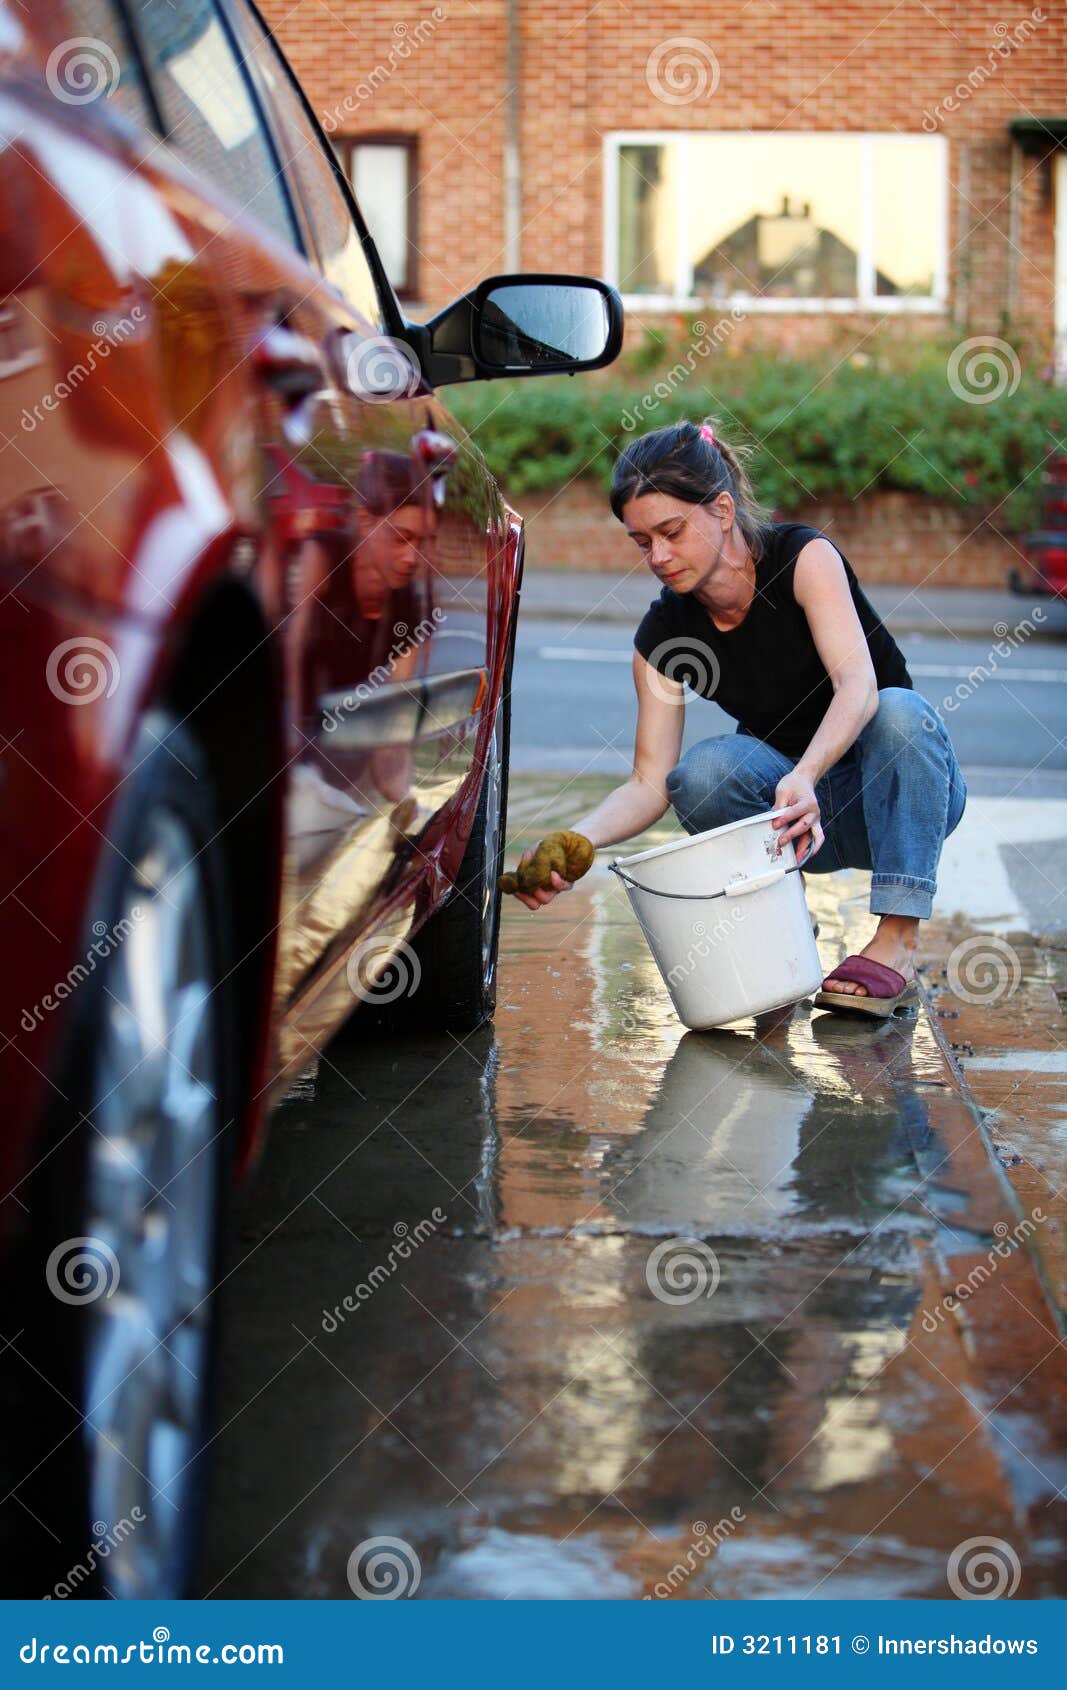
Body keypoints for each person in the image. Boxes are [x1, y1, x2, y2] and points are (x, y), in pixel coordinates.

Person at [507, 418, 967, 1017]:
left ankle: (896, 942)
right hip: (794, 827)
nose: (658, 556)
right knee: (701, 774)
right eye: (642, 542)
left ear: (723, 509)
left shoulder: (803, 558)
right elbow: (650, 783)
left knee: (902, 711)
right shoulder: (665, 637)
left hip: (899, 804)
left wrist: (804, 774)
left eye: (671, 531)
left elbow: (858, 688)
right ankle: (788, 931)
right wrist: (579, 840)